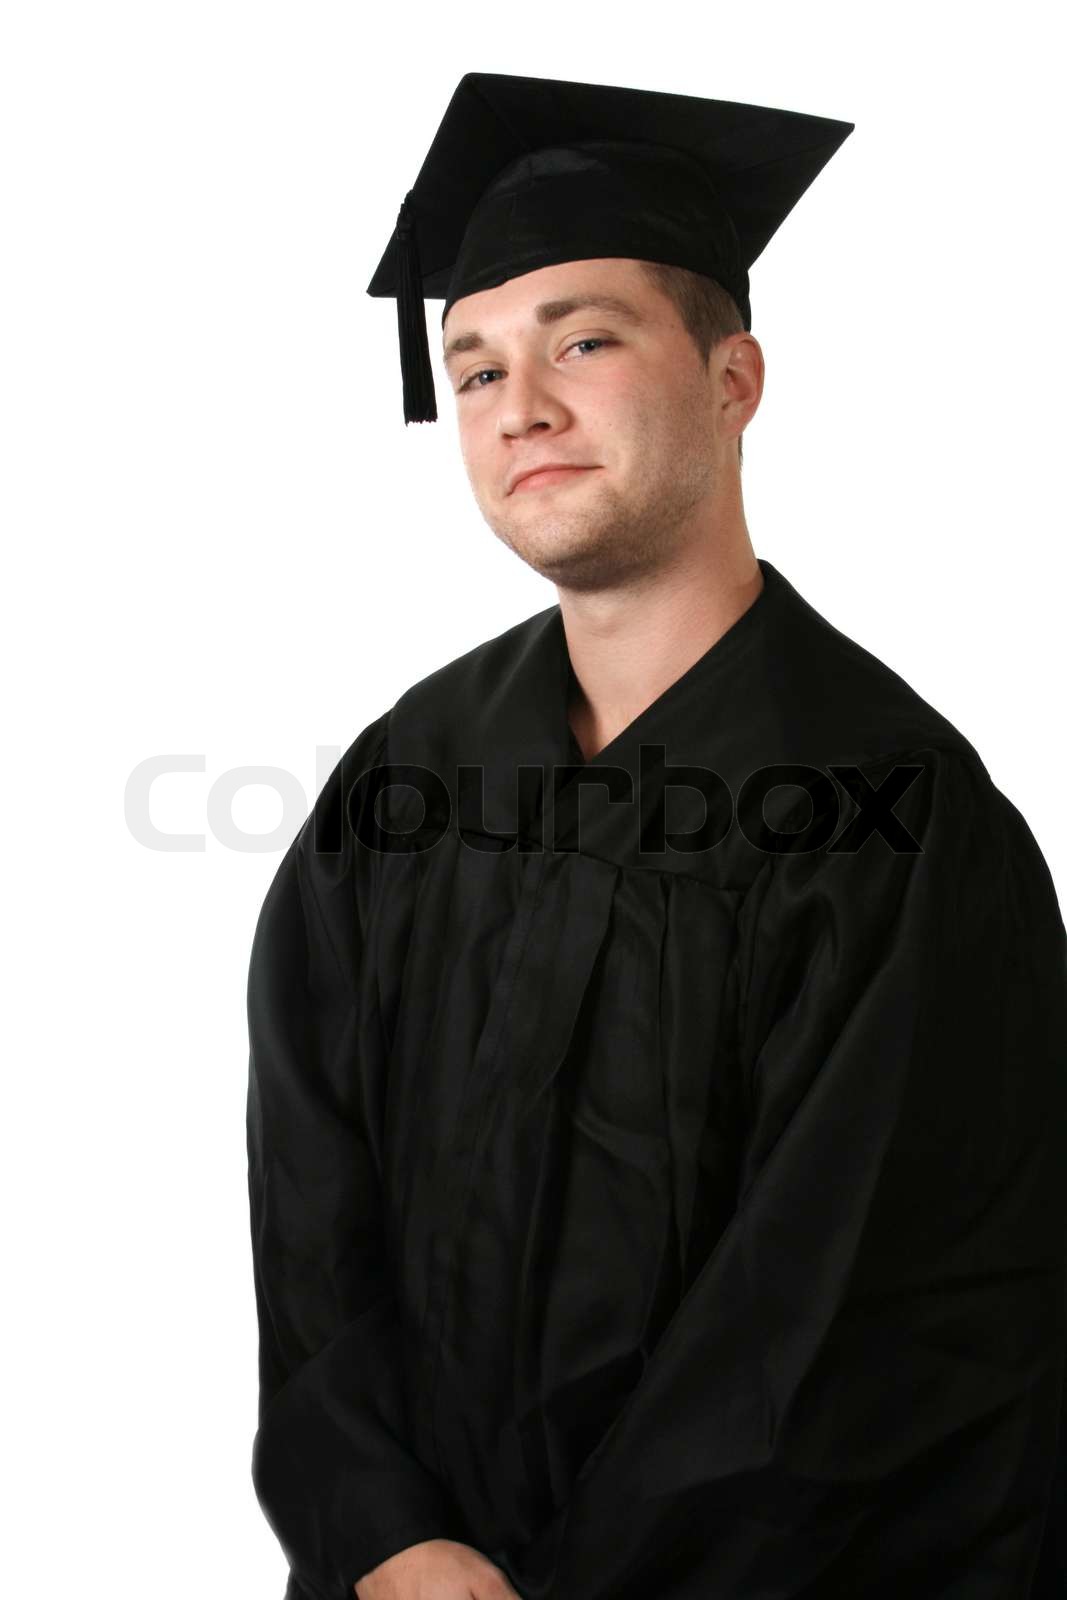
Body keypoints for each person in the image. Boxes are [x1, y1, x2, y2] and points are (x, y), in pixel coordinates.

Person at [245, 72, 1067, 1600]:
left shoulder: (890, 817)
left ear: (735, 377)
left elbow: (866, 1340)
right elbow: (309, 1202)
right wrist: (387, 1530)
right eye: (475, 368)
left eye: (586, 339)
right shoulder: (404, 781)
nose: (522, 408)